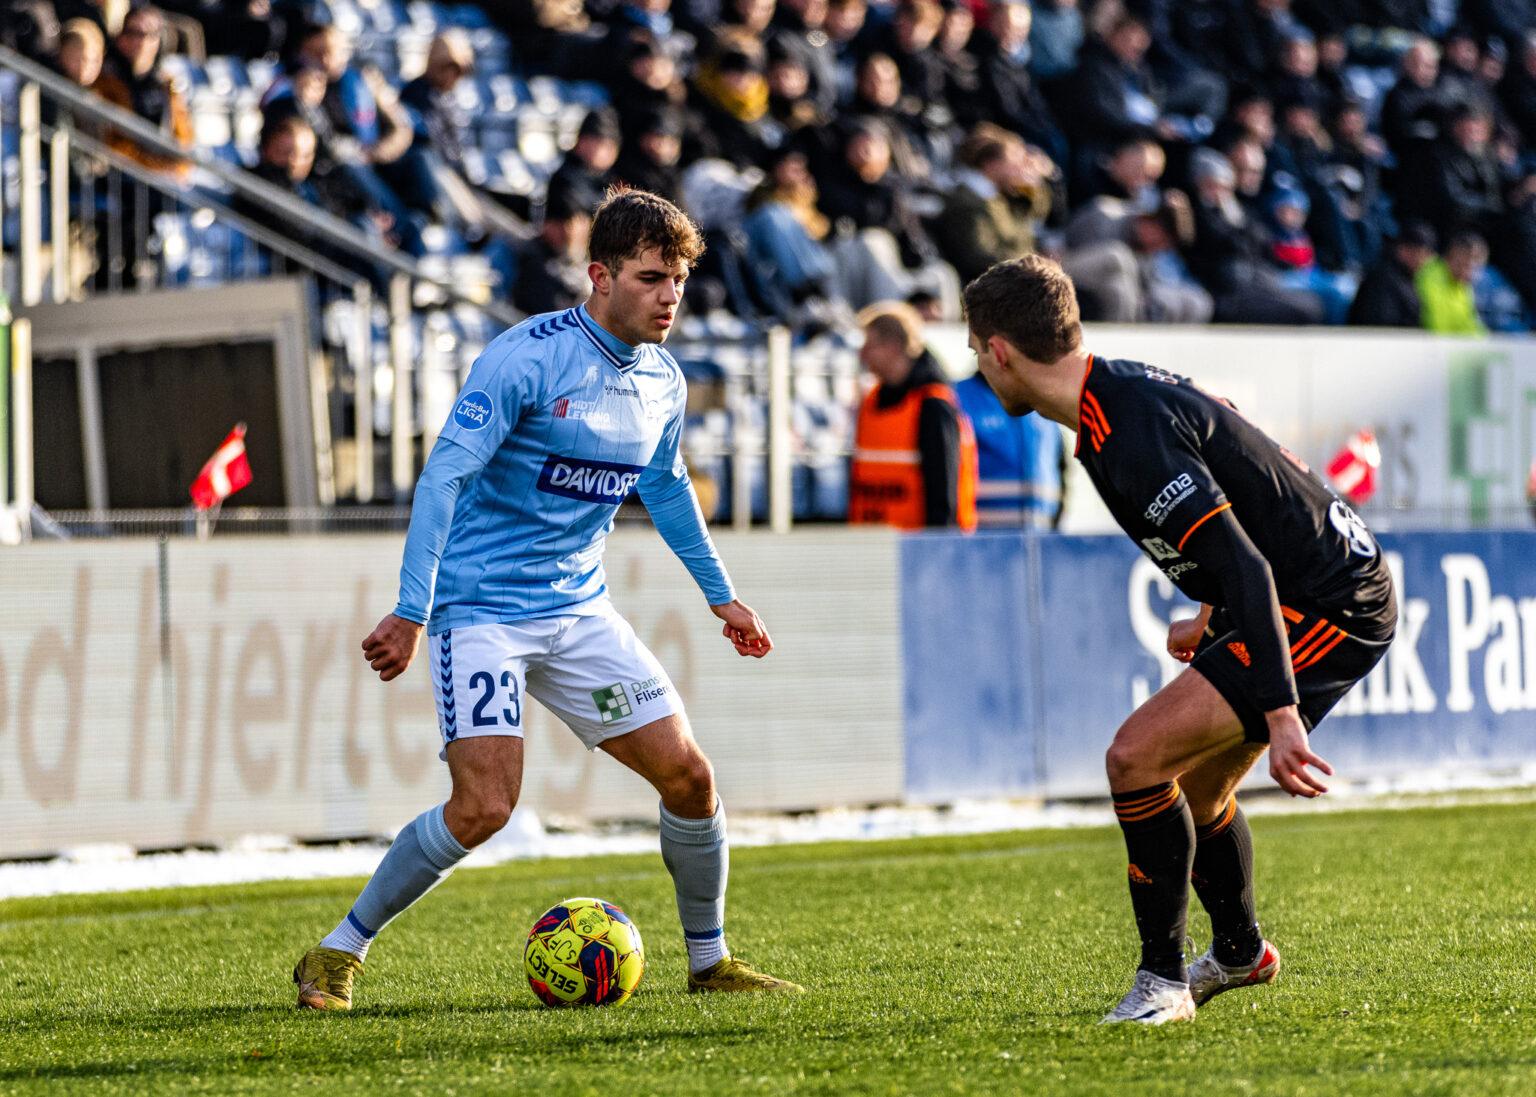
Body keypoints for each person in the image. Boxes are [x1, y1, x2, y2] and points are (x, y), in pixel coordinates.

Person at [291, 189, 803, 1010]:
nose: (670, 296)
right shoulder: (524, 359)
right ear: (598, 276)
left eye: (678, 279)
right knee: (485, 805)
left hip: (577, 612)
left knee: (691, 778)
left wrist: (723, 598)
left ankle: (709, 960)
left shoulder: (663, 383)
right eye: (650, 278)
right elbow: (445, 474)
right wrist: (413, 608)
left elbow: (666, 489)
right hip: (482, 612)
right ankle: (337, 950)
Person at [963, 255, 1396, 1024]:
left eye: (975, 350)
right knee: (1196, 788)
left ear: (1000, 350)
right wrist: (1211, 612)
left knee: (1135, 757)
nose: (978, 368)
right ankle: (1240, 952)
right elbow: (1247, 511)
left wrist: (1282, 714)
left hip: (1328, 601)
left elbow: (1251, 566)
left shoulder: (1124, 423)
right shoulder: (1113, 398)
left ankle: (1162, 982)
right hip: (1320, 584)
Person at [848, 302, 978, 530]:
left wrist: (938, 551)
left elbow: (943, 493)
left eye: (870, 344)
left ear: (894, 347)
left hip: (919, 552)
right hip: (875, 550)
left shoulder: (933, 405)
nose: (862, 354)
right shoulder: (871, 401)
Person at [953, 370, 1064, 528]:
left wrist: (1056, 523)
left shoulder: (1043, 399)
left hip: (1040, 541)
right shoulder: (957, 397)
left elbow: (1060, 466)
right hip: (979, 542)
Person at [1347, 221, 1436, 327]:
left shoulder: (1407, 279)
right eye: (1421, 253)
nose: (1424, 260)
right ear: (1403, 249)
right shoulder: (1382, 280)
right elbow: (1381, 325)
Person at [1417, 230, 1489, 335]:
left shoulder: (1462, 286)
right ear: (1451, 256)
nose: (1471, 269)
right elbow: (1437, 327)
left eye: (1476, 264)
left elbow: (1469, 325)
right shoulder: (1432, 276)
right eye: (1466, 263)